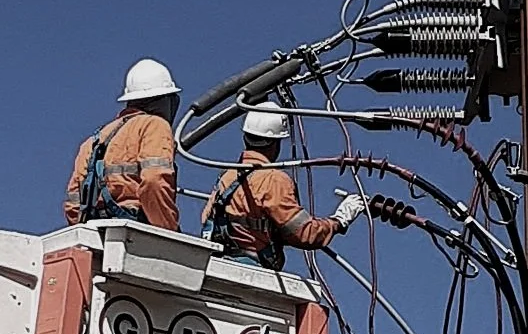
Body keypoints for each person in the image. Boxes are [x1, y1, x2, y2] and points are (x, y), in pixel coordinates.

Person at [201, 102, 365, 269]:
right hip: (251, 272)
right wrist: (340, 219)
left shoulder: (226, 177)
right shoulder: (273, 180)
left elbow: (207, 221)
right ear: (275, 143)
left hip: (214, 264)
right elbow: (305, 233)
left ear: (246, 137)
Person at [64, 59, 181, 230]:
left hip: (95, 232)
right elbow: (154, 181)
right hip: (136, 231)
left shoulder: (92, 142)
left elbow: (73, 203)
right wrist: (168, 231)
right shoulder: (155, 125)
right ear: (164, 100)